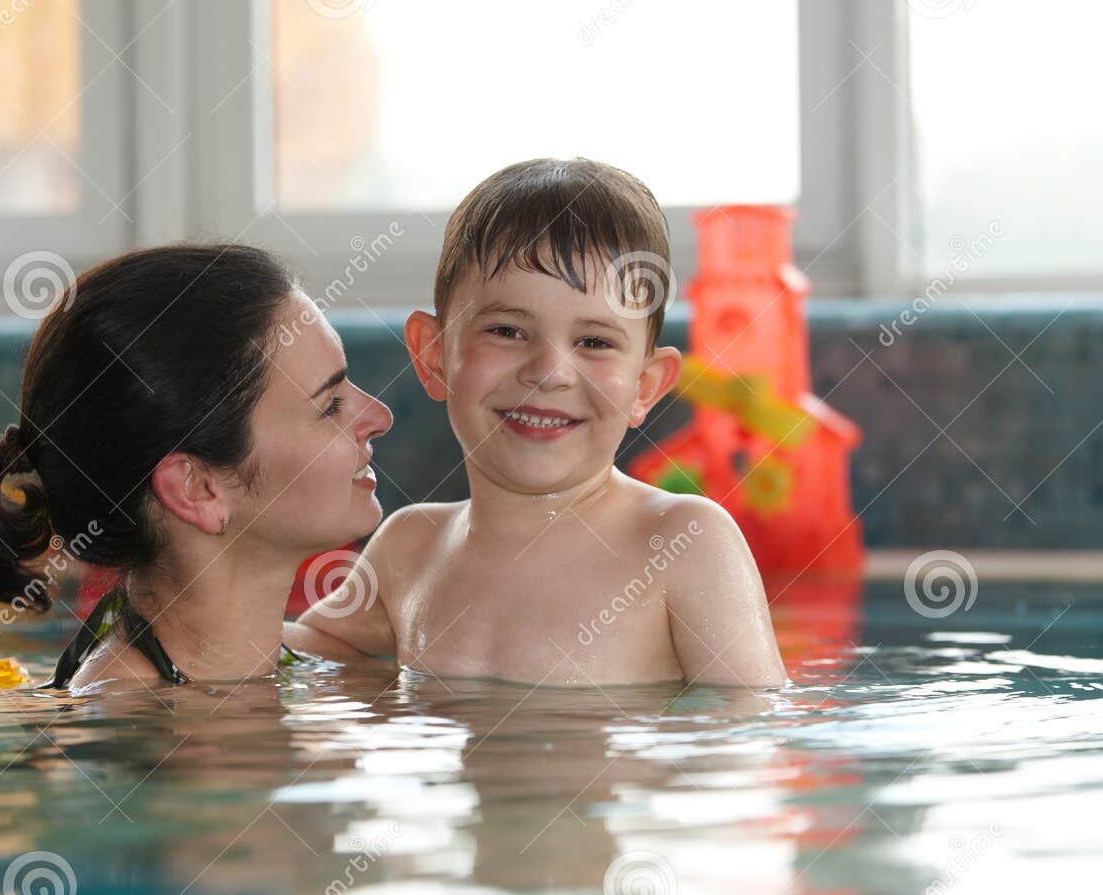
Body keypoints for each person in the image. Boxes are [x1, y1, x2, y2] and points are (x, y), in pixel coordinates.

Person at [294, 158, 788, 688]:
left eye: (594, 342)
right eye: (507, 330)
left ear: (645, 386)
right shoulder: (410, 546)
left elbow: (746, 733)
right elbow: (303, 654)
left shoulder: (683, 543)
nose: (549, 373)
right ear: (435, 357)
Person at [0, 243, 392, 691]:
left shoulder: (302, 657)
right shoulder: (131, 715)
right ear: (197, 489)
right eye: (331, 405)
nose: (380, 417)